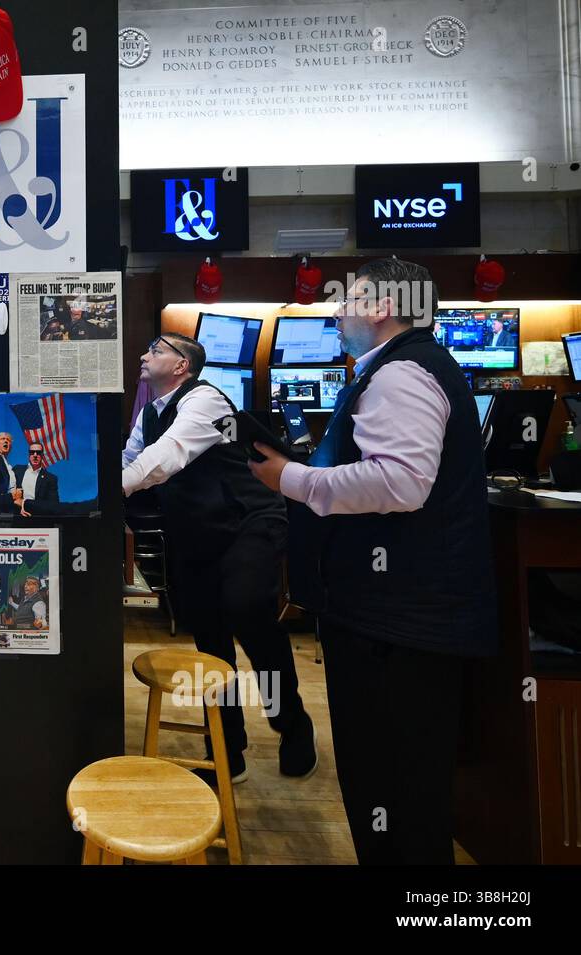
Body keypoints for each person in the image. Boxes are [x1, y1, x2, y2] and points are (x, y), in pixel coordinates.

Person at [248, 258, 497, 864]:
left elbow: (402, 483)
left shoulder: (402, 373)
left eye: (349, 300)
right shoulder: (404, 367)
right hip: (400, 621)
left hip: (396, 628)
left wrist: (294, 479)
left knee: (393, 794)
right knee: (399, 793)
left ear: (383, 306)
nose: (336, 311)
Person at [122, 332, 316, 784]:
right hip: (196, 532)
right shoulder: (149, 413)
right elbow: (132, 459)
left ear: (182, 364)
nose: (143, 355)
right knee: (209, 637)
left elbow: (166, 458)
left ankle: (293, 726)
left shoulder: (205, 399)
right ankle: (227, 750)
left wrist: (116, 489)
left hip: (248, 521)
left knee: (248, 612)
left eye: (154, 349)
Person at [14, 443, 59, 512]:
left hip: (36, 517)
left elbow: (53, 504)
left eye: (38, 453)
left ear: (42, 456)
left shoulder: (50, 478)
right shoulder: (17, 470)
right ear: (29, 455)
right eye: (32, 452)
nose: (35, 455)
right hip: (16, 514)